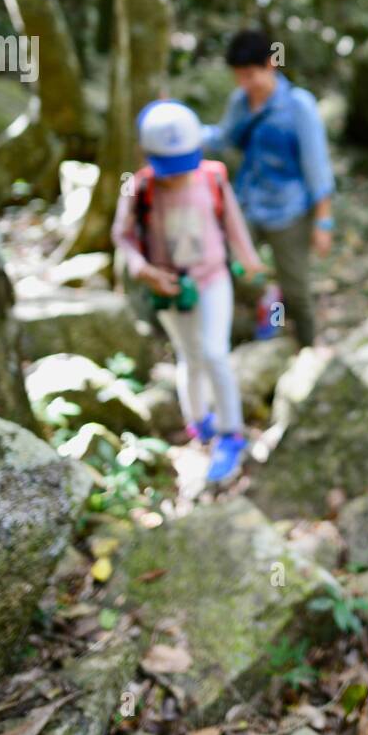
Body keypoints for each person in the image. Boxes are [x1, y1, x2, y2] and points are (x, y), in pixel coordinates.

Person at [112, 99, 266, 485]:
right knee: (190, 356)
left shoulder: (212, 176)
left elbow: (233, 224)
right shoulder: (140, 185)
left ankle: (231, 434)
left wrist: (251, 263)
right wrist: (139, 267)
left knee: (214, 353)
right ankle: (199, 422)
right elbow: (122, 233)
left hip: (212, 278)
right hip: (168, 286)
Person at [202, 29, 335, 350]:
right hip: (248, 202)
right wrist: (182, 130)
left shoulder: (298, 105)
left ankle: (307, 350)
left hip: (289, 210)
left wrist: (323, 222)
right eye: (239, 77)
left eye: (251, 75)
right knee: (230, 267)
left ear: (270, 64)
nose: (245, 83)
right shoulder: (240, 102)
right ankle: (265, 306)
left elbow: (317, 167)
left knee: (297, 290)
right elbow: (223, 139)